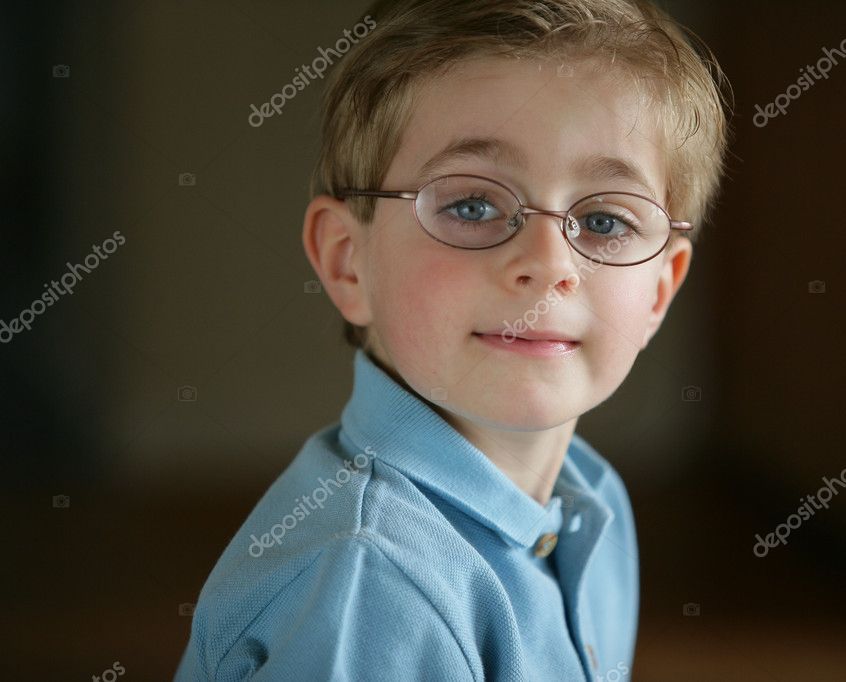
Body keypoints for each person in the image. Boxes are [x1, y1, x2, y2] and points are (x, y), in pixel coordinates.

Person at [174, 0, 728, 679]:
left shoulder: (592, 499)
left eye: (605, 221)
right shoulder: (372, 586)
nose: (549, 264)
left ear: (659, 291)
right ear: (348, 262)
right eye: (473, 205)